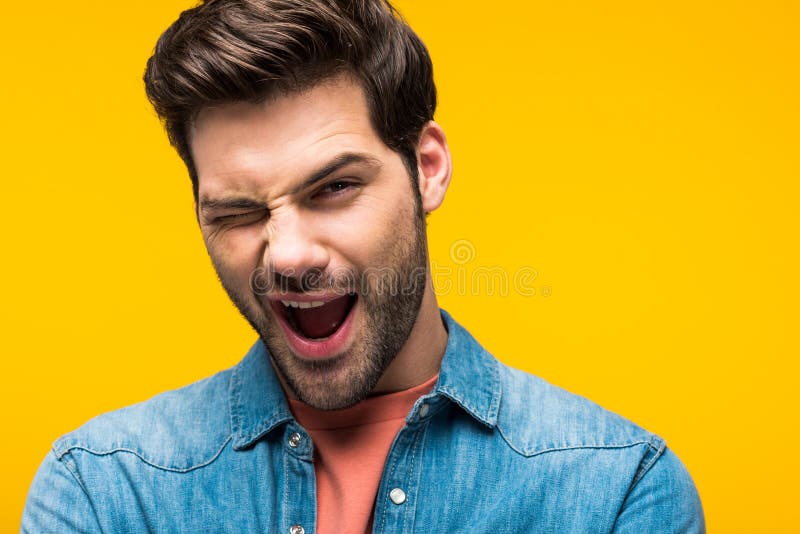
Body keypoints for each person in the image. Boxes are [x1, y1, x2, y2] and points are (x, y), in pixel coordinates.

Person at [22, 0, 705, 532]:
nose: (288, 255)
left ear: (427, 169)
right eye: (238, 212)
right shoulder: (102, 491)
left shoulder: (617, 489)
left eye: (334, 188)